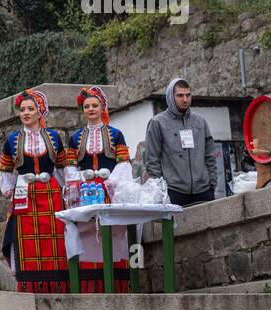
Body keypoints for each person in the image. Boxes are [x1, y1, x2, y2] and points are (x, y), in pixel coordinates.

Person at [0, 89, 70, 293]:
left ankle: (58, 285)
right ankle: (30, 285)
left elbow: (62, 168)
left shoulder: (54, 137)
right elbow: (5, 170)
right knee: (26, 240)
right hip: (25, 196)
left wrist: (68, 191)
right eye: (22, 110)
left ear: (40, 112)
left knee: (54, 237)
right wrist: (9, 191)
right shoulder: (12, 140)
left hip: (51, 194)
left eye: (31, 109)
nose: (26, 113)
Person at [66, 85, 134, 292]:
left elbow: (124, 163)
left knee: (113, 233)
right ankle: (89, 285)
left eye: (95, 105)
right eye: (87, 106)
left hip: (110, 190)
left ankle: (116, 283)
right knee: (87, 234)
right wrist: (81, 179)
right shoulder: (75, 138)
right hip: (85, 192)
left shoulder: (116, 134)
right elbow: (70, 167)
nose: (91, 109)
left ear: (102, 107)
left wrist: (110, 183)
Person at [144, 77, 217, 206]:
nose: (185, 99)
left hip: (204, 191)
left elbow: (210, 154)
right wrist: (162, 189)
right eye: (180, 95)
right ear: (171, 97)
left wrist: (212, 183)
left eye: (188, 95)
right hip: (174, 191)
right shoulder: (158, 123)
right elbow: (152, 160)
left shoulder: (200, 122)